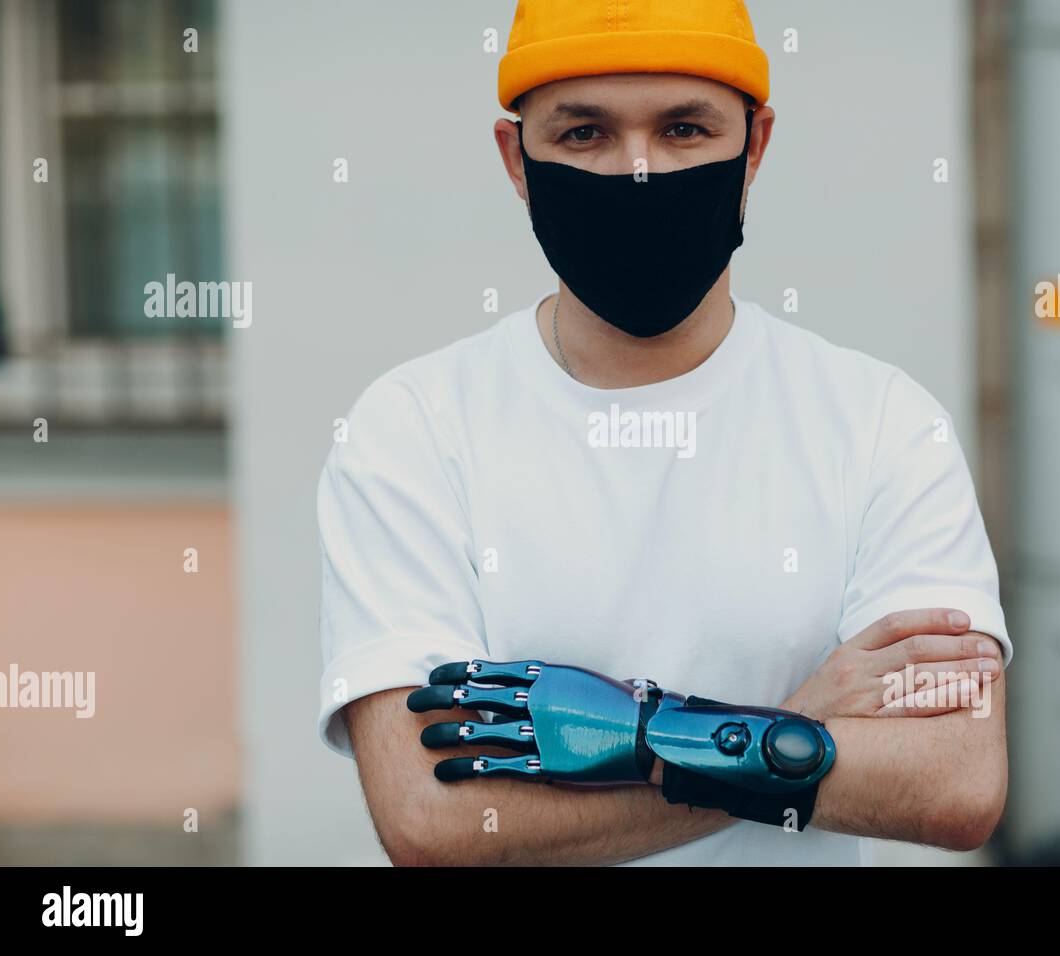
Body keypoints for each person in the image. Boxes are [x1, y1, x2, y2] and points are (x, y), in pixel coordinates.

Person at [316, 0, 1011, 866]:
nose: (639, 170)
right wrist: (791, 730)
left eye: (684, 129)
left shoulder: (882, 424)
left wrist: (622, 736)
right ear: (516, 159)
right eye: (584, 134)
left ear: (754, 146)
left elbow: (957, 781)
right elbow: (436, 824)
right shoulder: (410, 433)